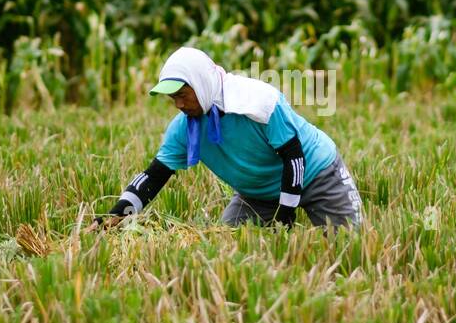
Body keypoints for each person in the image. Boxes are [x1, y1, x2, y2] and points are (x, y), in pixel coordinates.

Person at [91, 47, 362, 230]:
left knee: (352, 249)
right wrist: (115, 216)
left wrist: (285, 212)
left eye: (183, 95)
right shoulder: (185, 127)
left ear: (202, 84)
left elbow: (294, 158)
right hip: (257, 195)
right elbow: (154, 176)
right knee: (227, 247)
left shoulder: (259, 102)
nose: (178, 105)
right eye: (173, 99)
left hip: (317, 173)